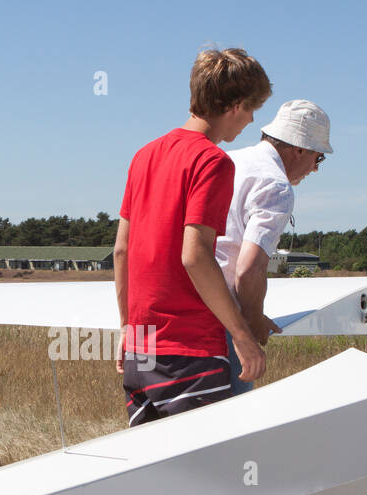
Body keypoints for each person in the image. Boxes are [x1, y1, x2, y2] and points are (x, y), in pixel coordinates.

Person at [114, 48, 273, 426]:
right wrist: (242, 335)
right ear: (235, 105)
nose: (251, 120)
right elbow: (195, 256)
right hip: (189, 353)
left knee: (156, 476)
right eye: (252, 110)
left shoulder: (144, 155)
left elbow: (121, 250)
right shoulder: (213, 161)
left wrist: (126, 329)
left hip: (142, 348)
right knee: (207, 479)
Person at [215, 99, 332, 394]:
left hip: (179, 312)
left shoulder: (225, 159)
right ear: (300, 149)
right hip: (223, 321)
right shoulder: (276, 185)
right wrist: (252, 322)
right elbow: (249, 268)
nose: (314, 170)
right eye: (318, 159)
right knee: (228, 428)